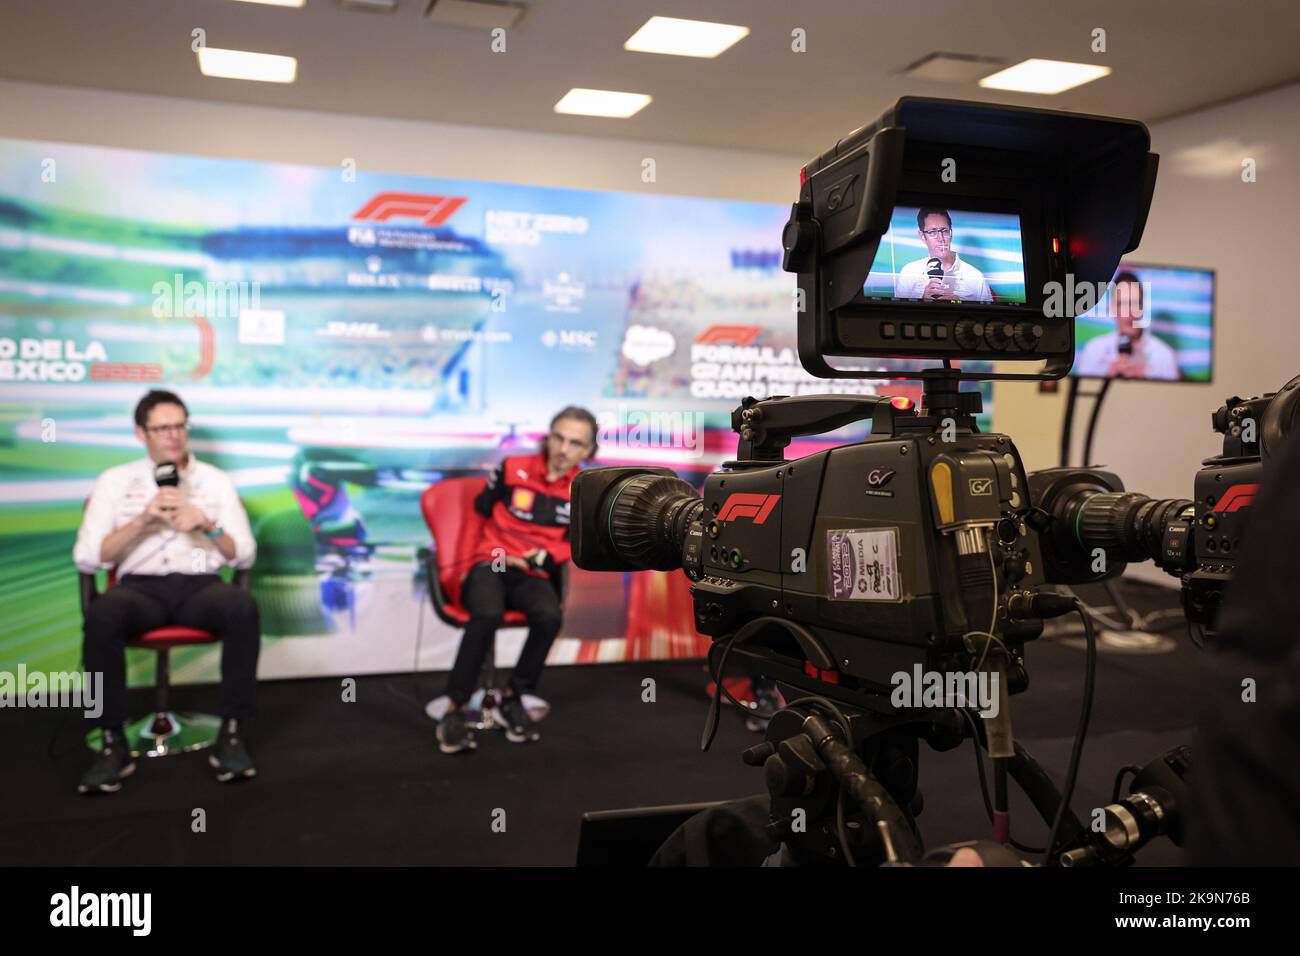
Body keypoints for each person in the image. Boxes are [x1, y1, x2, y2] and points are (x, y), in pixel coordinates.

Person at [72, 390, 259, 793]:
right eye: (162, 428)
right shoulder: (116, 481)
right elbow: (89, 558)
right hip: (140, 589)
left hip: (200, 587)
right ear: (141, 433)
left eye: (180, 426)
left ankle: (231, 731)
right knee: (103, 616)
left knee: (241, 607)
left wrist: (207, 524)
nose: (173, 436)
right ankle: (110, 739)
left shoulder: (215, 481)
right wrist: (142, 520)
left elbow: (243, 555)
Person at [436, 406, 598, 754]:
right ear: (548, 436)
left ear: (587, 451)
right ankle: (454, 707)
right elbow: (477, 515)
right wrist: (460, 566)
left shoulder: (583, 490)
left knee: (550, 616)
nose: (563, 448)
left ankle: (513, 696)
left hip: (531, 571)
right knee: (486, 614)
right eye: (558, 437)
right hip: (490, 562)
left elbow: (576, 543)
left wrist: (551, 557)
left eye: (575, 443)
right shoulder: (511, 468)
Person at [1074, 271, 1180, 380]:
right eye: (1122, 304)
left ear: (1143, 307)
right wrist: (1108, 377)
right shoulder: (1094, 350)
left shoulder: (1163, 355)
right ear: (1111, 309)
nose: (1129, 311)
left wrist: (1145, 379)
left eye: (1135, 303)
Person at [895, 208, 994, 302]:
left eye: (944, 231)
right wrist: (922, 299)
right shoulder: (909, 273)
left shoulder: (976, 277)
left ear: (951, 234)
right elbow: (897, 314)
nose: (941, 238)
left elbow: (989, 315)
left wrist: (960, 304)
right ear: (922, 236)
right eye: (933, 232)